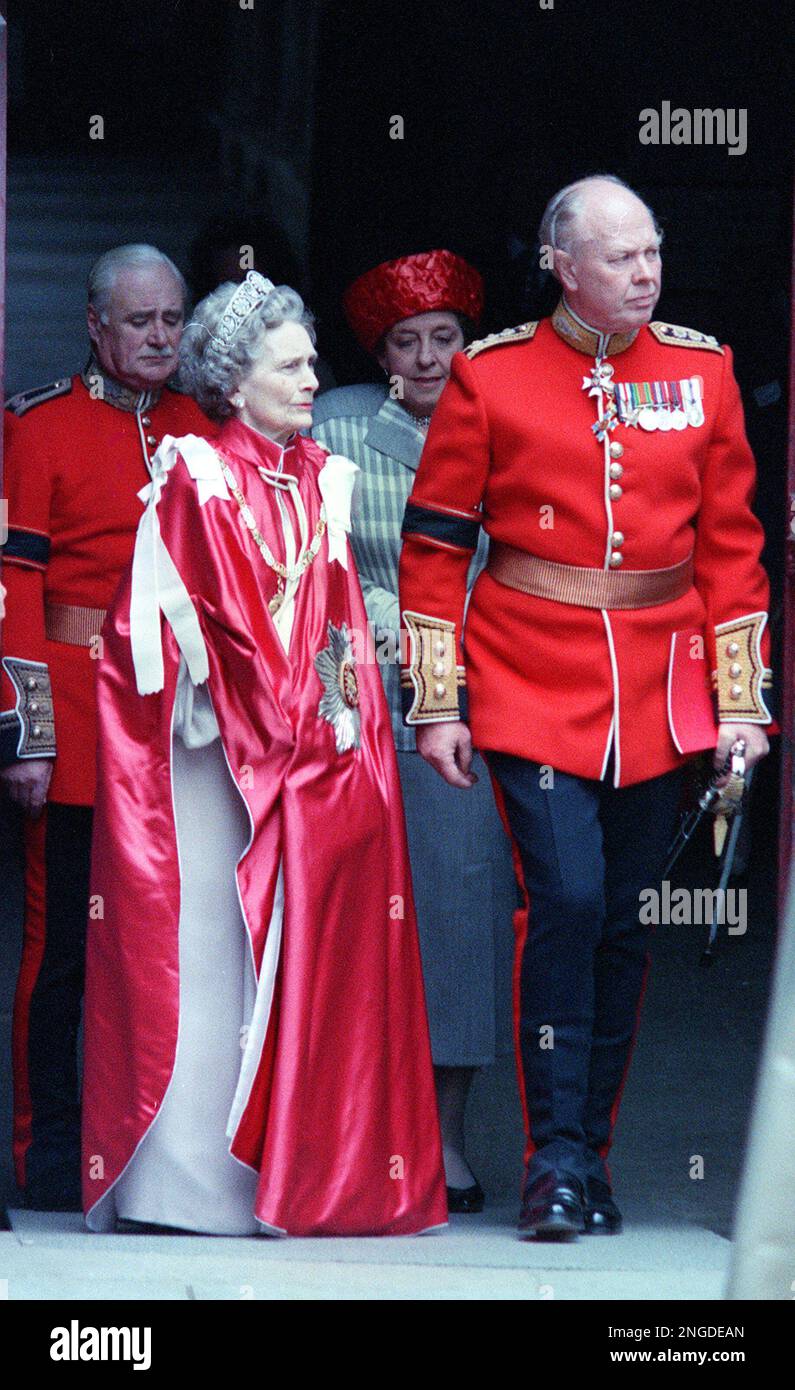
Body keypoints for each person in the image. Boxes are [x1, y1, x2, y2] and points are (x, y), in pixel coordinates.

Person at [398, 176, 772, 1239]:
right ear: (565, 266)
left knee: (618, 926)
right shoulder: (493, 372)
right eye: (622, 257)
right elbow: (435, 548)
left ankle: (589, 1158)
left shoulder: (704, 370)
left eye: (654, 253)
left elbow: (736, 555)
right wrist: (438, 703)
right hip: (526, 681)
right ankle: (552, 1163)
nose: (647, 273)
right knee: (563, 901)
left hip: (662, 694)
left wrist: (740, 706)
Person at [81, 272, 447, 1237]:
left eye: (312, 361)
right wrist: (284, 737)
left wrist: (345, 742)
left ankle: (275, 1181)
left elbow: (336, 638)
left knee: (277, 967)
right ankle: (184, 1193)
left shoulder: (319, 474)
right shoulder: (199, 477)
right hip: (213, 765)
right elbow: (218, 629)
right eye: (290, 366)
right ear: (233, 383)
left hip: (294, 757)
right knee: (208, 961)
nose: (310, 378)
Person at [0, 244, 212, 1211]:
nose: (161, 337)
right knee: (66, 955)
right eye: (140, 322)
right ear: (95, 324)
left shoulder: (202, 425)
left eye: (173, 319)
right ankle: (46, 1157)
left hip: (181, 729)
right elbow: (16, 591)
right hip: (83, 728)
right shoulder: (38, 426)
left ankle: (155, 1154)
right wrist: (28, 734)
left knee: (176, 949)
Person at [312, 250, 517, 1212]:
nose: (429, 359)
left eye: (446, 338)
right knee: (339, 920)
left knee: (457, 917)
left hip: (469, 703)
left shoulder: (514, 415)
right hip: (347, 698)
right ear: (377, 348)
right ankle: (336, 1129)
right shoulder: (334, 422)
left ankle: (447, 1139)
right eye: (407, 341)